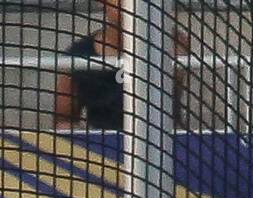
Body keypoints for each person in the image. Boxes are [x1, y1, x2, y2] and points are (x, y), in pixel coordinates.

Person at [53, 0, 188, 130]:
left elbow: (172, 98)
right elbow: (63, 122)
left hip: (161, 142)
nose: (131, 5)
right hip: (103, 146)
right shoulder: (79, 56)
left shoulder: (172, 46)